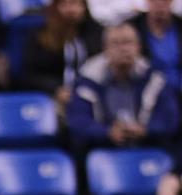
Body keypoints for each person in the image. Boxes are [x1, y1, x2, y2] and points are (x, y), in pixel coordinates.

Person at [67, 21, 180, 149]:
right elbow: (78, 121)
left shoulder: (155, 79)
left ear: (138, 47)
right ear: (105, 49)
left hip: (147, 146)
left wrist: (145, 130)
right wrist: (107, 132)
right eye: (116, 43)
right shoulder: (88, 79)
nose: (123, 49)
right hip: (102, 148)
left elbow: (169, 120)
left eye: (128, 42)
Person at [17, 0, 104, 107]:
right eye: (65, 4)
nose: (71, 10)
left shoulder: (96, 33)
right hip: (51, 97)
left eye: (76, 4)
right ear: (56, 8)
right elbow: (30, 74)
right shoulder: (41, 36)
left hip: (91, 94)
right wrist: (55, 89)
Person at [127, 0, 182, 91]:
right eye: (154, 0)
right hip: (145, 90)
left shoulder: (179, 26)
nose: (160, 4)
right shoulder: (133, 27)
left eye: (165, 1)